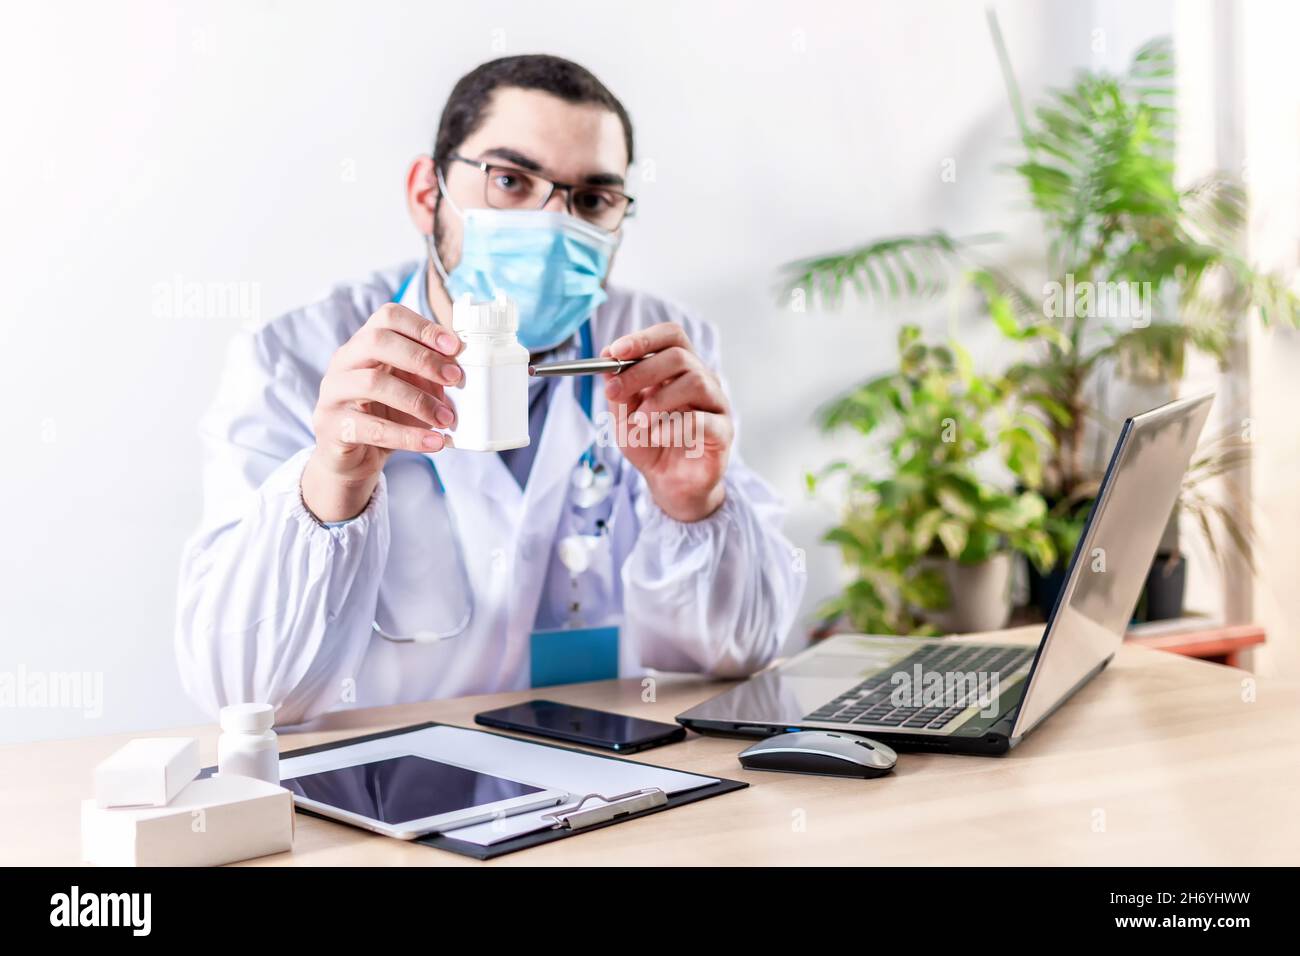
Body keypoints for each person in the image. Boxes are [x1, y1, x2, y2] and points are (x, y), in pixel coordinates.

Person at [175, 54, 805, 725]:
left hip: (603, 783)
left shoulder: (660, 357)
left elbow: (739, 655)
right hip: (386, 794)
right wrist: (331, 482)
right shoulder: (291, 360)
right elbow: (243, 695)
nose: (551, 225)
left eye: (592, 199)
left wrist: (693, 504)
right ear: (428, 192)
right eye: (510, 180)